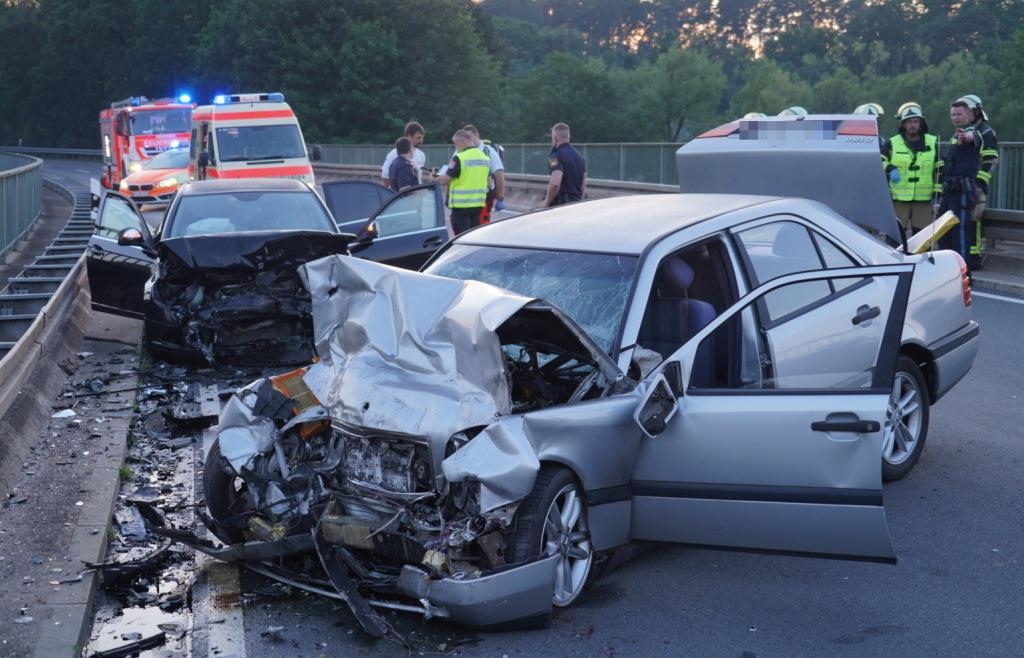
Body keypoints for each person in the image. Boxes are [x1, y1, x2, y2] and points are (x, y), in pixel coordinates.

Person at [937, 97, 994, 270]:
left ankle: (963, 271)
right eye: (953, 114)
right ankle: (947, 267)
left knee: (960, 231)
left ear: (970, 115)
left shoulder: (974, 132)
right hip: (950, 191)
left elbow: (972, 138)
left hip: (964, 191)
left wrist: (979, 184)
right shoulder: (955, 134)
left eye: (959, 114)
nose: (955, 117)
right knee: (943, 231)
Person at [881, 102, 940, 233]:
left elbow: (939, 170)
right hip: (899, 199)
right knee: (895, 236)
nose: (912, 125)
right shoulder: (892, 142)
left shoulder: (933, 142)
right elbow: (880, 161)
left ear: (921, 123)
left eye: (915, 121)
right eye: (909, 122)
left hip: (924, 200)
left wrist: (937, 195)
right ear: (903, 124)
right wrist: (890, 168)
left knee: (921, 238)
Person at [434, 130, 490, 235]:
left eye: (456, 144)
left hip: (461, 207)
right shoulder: (485, 157)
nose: (456, 148)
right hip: (478, 205)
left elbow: (445, 180)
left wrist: (433, 178)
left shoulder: (459, 157)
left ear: (462, 142)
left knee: (461, 239)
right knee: (474, 237)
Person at [462, 125, 506, 223]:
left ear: (477, 135)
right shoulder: (460, 150)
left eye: (470, 137)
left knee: (480, 227)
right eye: (465, 138)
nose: (468, 140)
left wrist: (500, 197)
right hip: (465, 200)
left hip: (484, 198)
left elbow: (499, 174)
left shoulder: (488, 151)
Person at [543, 122, 586, 207]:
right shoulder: (580, 157)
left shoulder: (554, 157)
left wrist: (547, 202)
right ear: (568, 136)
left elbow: (555, 183)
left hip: (561, 204)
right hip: (576, 203)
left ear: (555, 137)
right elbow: (583, 184)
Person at [381, 121, 426, 188]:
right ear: (409, 136)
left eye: (422, 138)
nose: (421, 141)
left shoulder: (421, 155)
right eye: (418, 138)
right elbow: (385, 177)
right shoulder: (394, 154)